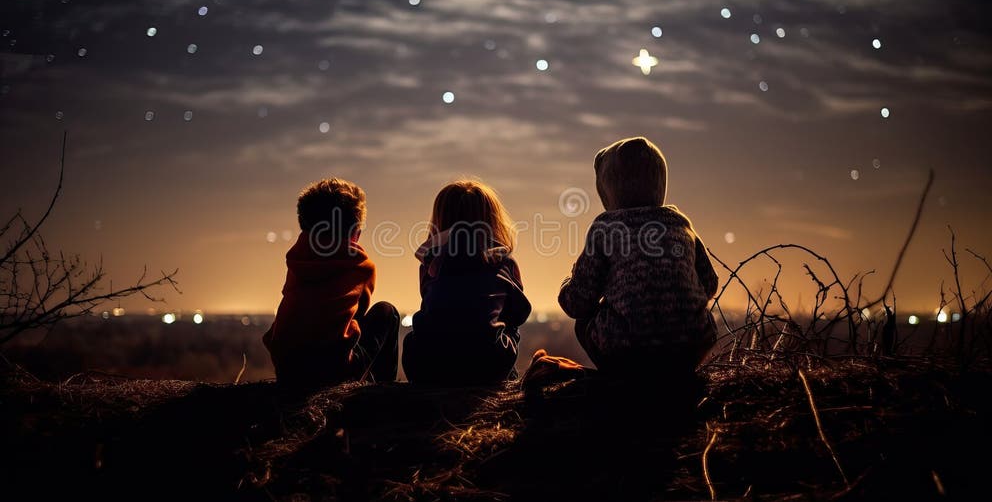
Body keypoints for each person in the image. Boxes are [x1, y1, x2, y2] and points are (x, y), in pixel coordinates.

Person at [558, 136, 719, 380]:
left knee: (583, 322)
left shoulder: (606, 226)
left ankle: (620, 381)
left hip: (629, 354)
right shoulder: (680, 223)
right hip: (690, 348)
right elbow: (710, 284)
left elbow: (576, 302)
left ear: (607, 189)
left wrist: (568, 282)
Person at [263, 178, 399, 392]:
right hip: (332, 371)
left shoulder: (298, 258)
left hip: (288, 369)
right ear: (356, 233)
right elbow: (358, 313)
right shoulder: (360, 265)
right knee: (387, 312)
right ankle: (384, 392)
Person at [402, 180, 532, 386]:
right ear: (492, 220)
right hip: (486, 367)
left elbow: (429, 304)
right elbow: (521, 312)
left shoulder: (431, 262)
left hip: (427, 366)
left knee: (415, 336)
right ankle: (510, 382)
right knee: (510, 327)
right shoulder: (501, 261)